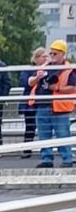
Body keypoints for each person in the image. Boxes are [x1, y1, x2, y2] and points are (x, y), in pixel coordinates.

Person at [28, 40, 75, 170]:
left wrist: (56, 88)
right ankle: (47, 159)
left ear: (62, 54)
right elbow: (31, 82)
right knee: (44, 135)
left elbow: (72, 87)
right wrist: (38, 78)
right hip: (42, 105)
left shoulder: (68, 69)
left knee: (63, 135)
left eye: (55, 53)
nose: (52, 55)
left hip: (60, 108)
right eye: (51, 52)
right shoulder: (44, 67)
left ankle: (68, 159)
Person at [20, 47, 46, 158]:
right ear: (36, 58)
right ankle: (27, 149)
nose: (45, 59)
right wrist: (37, 77)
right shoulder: (28, 70)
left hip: (44, 102)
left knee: (45, 127)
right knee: (30, 126)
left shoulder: (51, 68)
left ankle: (45, 150)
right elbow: (26, 83)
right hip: (30, 103)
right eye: (43, 57)